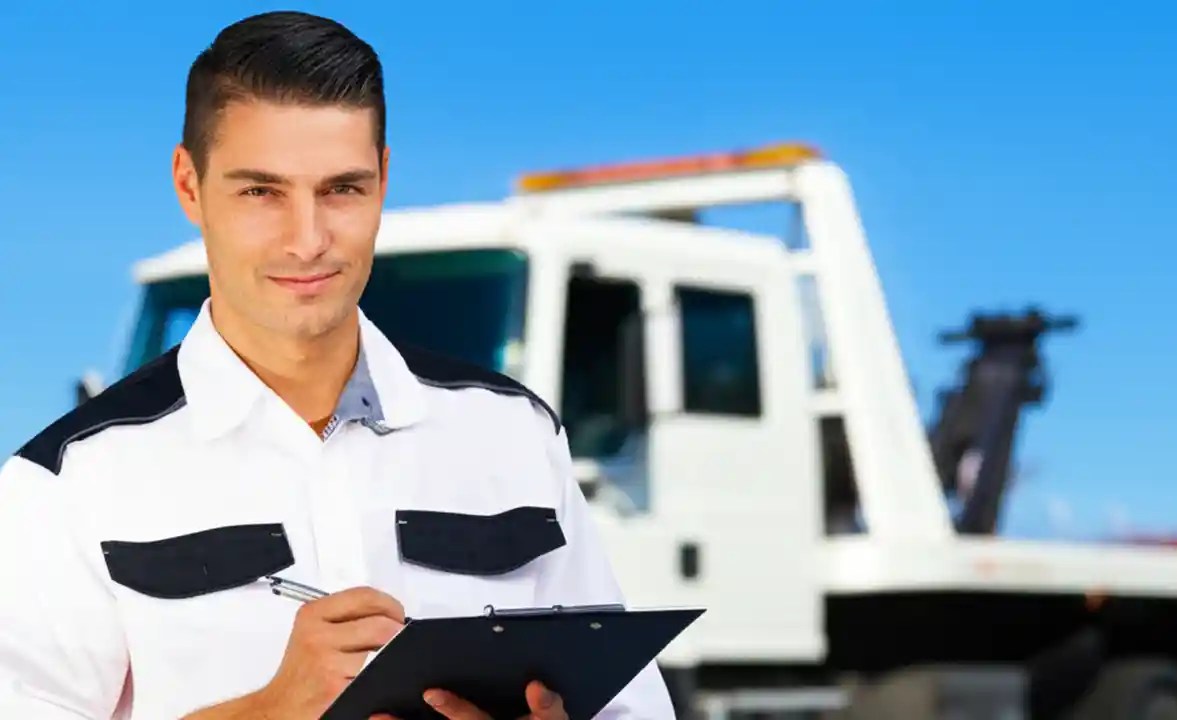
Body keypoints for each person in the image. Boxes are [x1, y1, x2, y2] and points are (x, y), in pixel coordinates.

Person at [0, 11, 676, 720]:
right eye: (260, 191)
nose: (307, 239)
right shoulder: (65, 483)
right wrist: (272, 709)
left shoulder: (514, 435)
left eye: (341, 189)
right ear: (189, 185)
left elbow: (630, 710)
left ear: (383, 179)